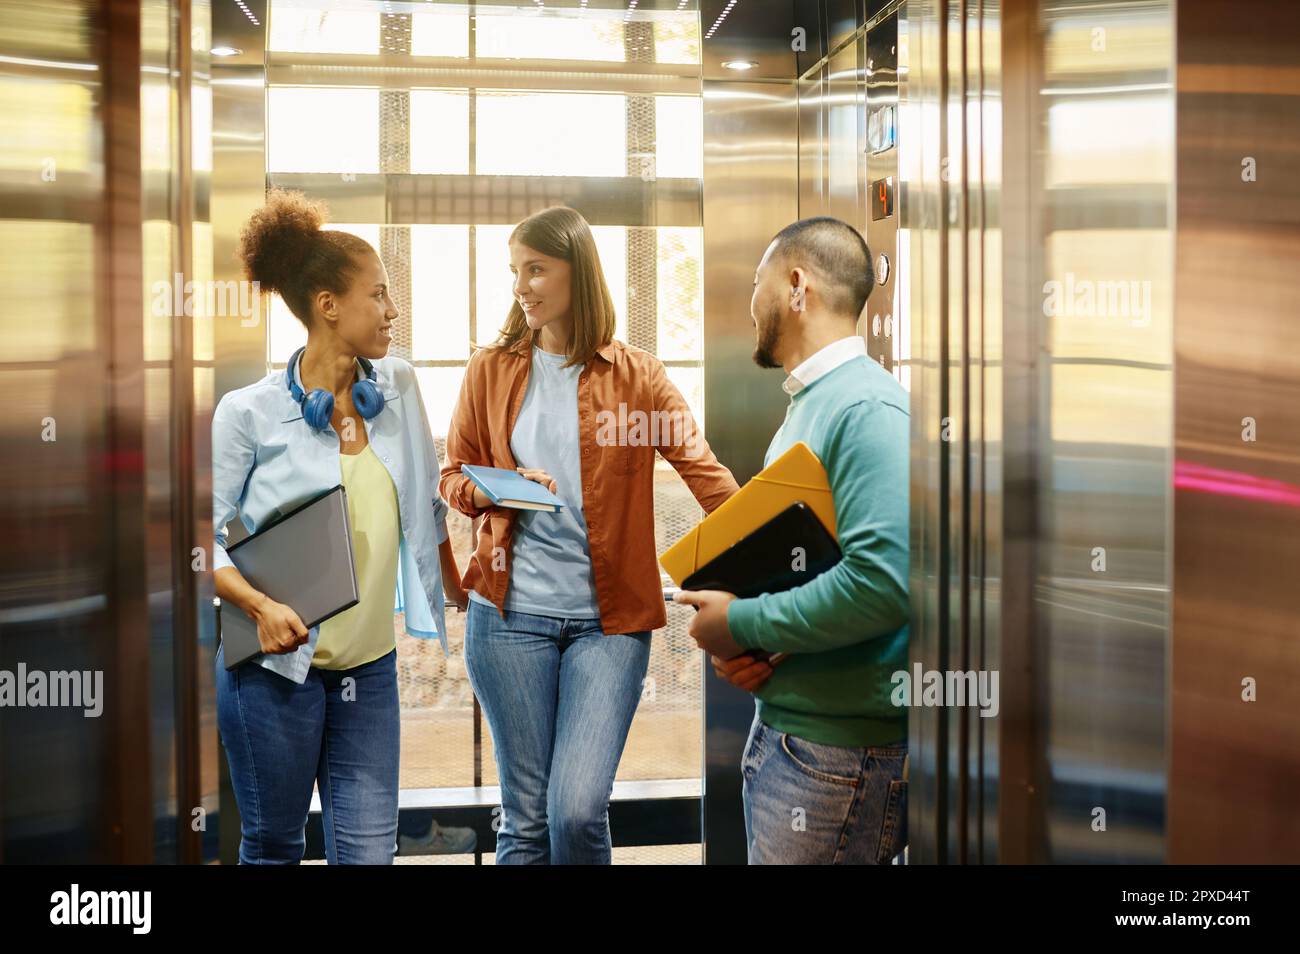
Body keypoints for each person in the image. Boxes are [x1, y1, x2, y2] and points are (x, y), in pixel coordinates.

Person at [441, 206, 739, 864]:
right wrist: (492, 488)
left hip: (609, 626)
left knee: (575, 811)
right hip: (508, 618)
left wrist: (782, 557)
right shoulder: (489, 369)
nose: (521, 285)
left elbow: (707, 477)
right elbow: (452, 476)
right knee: (524, 821)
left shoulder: (640, 377)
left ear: (579, 272)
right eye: (515, 271)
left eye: (536, 268)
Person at [212, 189, 468, 864]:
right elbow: (195, 540)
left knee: (368, 854)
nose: (391, 310)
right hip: (272, 673)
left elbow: (427, 503)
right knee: (274, 844)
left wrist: (459, 586)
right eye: (378, 294)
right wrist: (259, 606)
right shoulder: (248, 414)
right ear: (329, 305)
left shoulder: (401, 387)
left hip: (368, 671)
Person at [675, 216, 910, 865]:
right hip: (799, 742)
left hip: (840, 759)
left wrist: (742, 618)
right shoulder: (812, 405)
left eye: (759, 282)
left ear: (796, 285)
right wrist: (758, 646)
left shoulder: (866, 410)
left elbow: (882, 586)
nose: (752, 303)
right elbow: (814, 573)